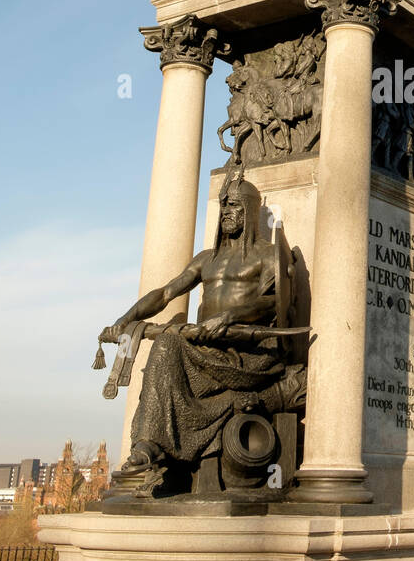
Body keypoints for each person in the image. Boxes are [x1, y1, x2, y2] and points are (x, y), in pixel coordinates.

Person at [112, 170, 306, 491]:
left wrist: (231, 317)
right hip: (208, 350)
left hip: (248, 355)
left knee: (170, 341)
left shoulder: (268, 255)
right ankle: (148, 445)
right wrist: (126, 318)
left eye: (235, 207)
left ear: (250, 210)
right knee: (168, 342)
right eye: (225, 207)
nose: (228, 213)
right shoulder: (207, 260)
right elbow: (165, 293)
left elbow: (274, 304)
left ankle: (156, 447)